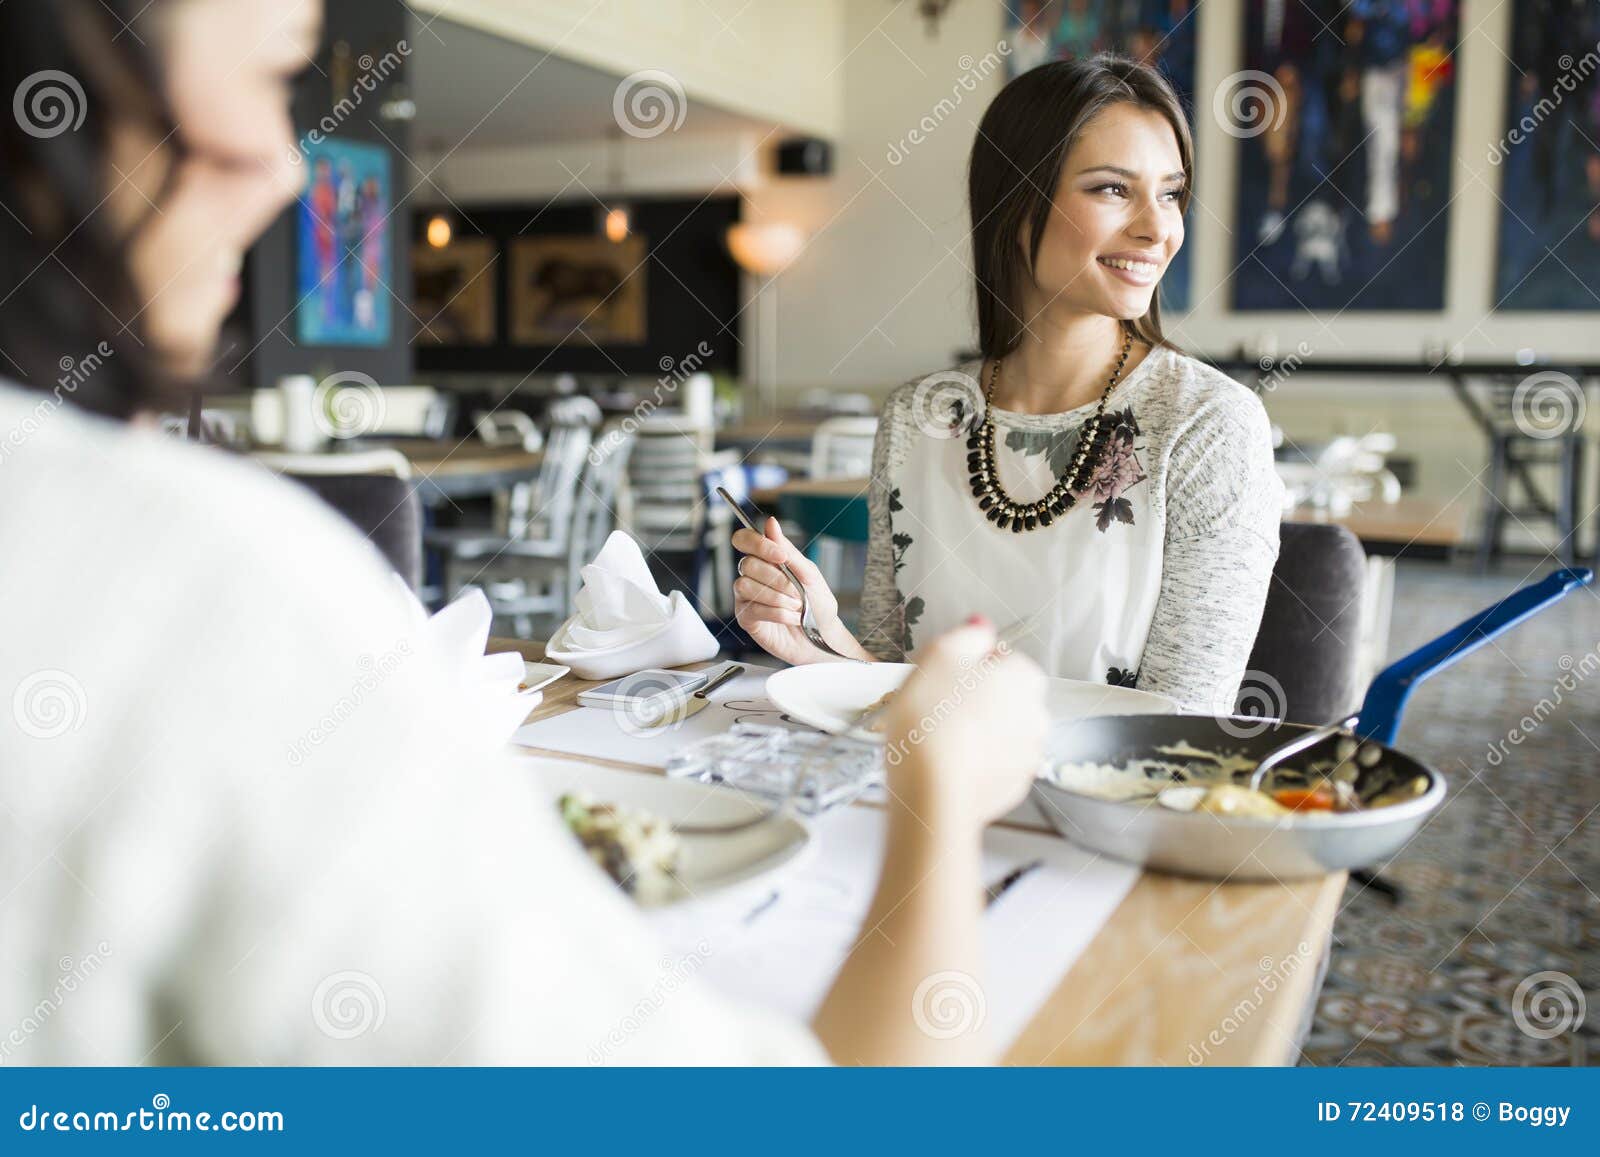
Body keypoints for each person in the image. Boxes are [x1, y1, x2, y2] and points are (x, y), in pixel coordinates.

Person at [0, 0, 1048, 1065]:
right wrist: (944, 790)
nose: (283, 170)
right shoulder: (216, 586)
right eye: (275, 78)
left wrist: (834, 647)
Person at [735, 54, 1283, 715]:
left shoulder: (1207, 424)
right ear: (1015, 202)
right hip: (917, 809)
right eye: (1114, 189)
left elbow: (1178, 733)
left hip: (1093, 815)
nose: (1158, 227)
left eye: (1170, 193)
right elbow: (892, 700)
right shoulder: (919, 416)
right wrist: (820, 643)